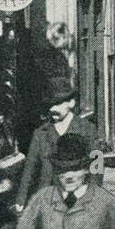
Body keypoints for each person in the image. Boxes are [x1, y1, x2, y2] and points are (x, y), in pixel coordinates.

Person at [15, 76, 102, 210]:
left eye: (57, 103)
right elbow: (30, 168)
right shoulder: (40, 133)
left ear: (71, 103)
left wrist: (94, 194)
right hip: (48, 201)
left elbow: (97, 165)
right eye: (50, 105)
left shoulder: (87, 129)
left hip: (79, 198)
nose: (52, 108)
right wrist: (21, 198)